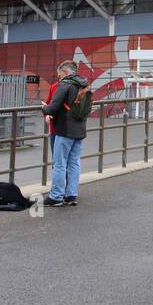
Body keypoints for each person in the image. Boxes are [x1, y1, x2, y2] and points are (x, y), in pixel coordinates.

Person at [41, 60, 91, 207]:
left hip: (65, 130)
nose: (59, 77)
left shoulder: (65, 84)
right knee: (74, 163)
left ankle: (56, 196)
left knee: (59, 164)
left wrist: (44, 108)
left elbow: (53, 108)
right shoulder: (84, 84)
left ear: (66, 73)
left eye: (59, 74)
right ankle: (71, 195)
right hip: (80, 129)